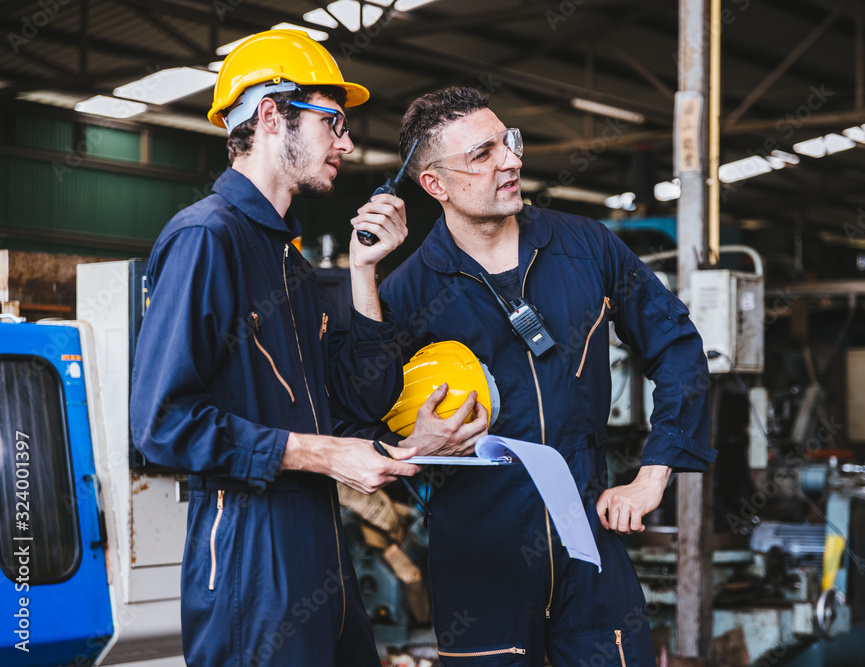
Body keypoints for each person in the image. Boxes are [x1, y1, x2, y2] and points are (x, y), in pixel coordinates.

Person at [374, 87, 716, 666]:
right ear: (435, 184)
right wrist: (414, 447)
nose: (509, 160)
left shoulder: (585, 249)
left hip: (592, 548)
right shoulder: (405, 294)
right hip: (482, 569)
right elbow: (356, 422)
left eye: (508, 142)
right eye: (481, 155)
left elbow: (678, 346)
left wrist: (653, 475)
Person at [130, 30, 422, 666]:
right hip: (248, 550)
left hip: (320, 542)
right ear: (270, 115)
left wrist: (363, 273)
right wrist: (320, 454)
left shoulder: (288, 260)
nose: (345, 143)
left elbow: (357, 402)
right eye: (333, 121)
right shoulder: (207, 238)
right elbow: (161, 423)